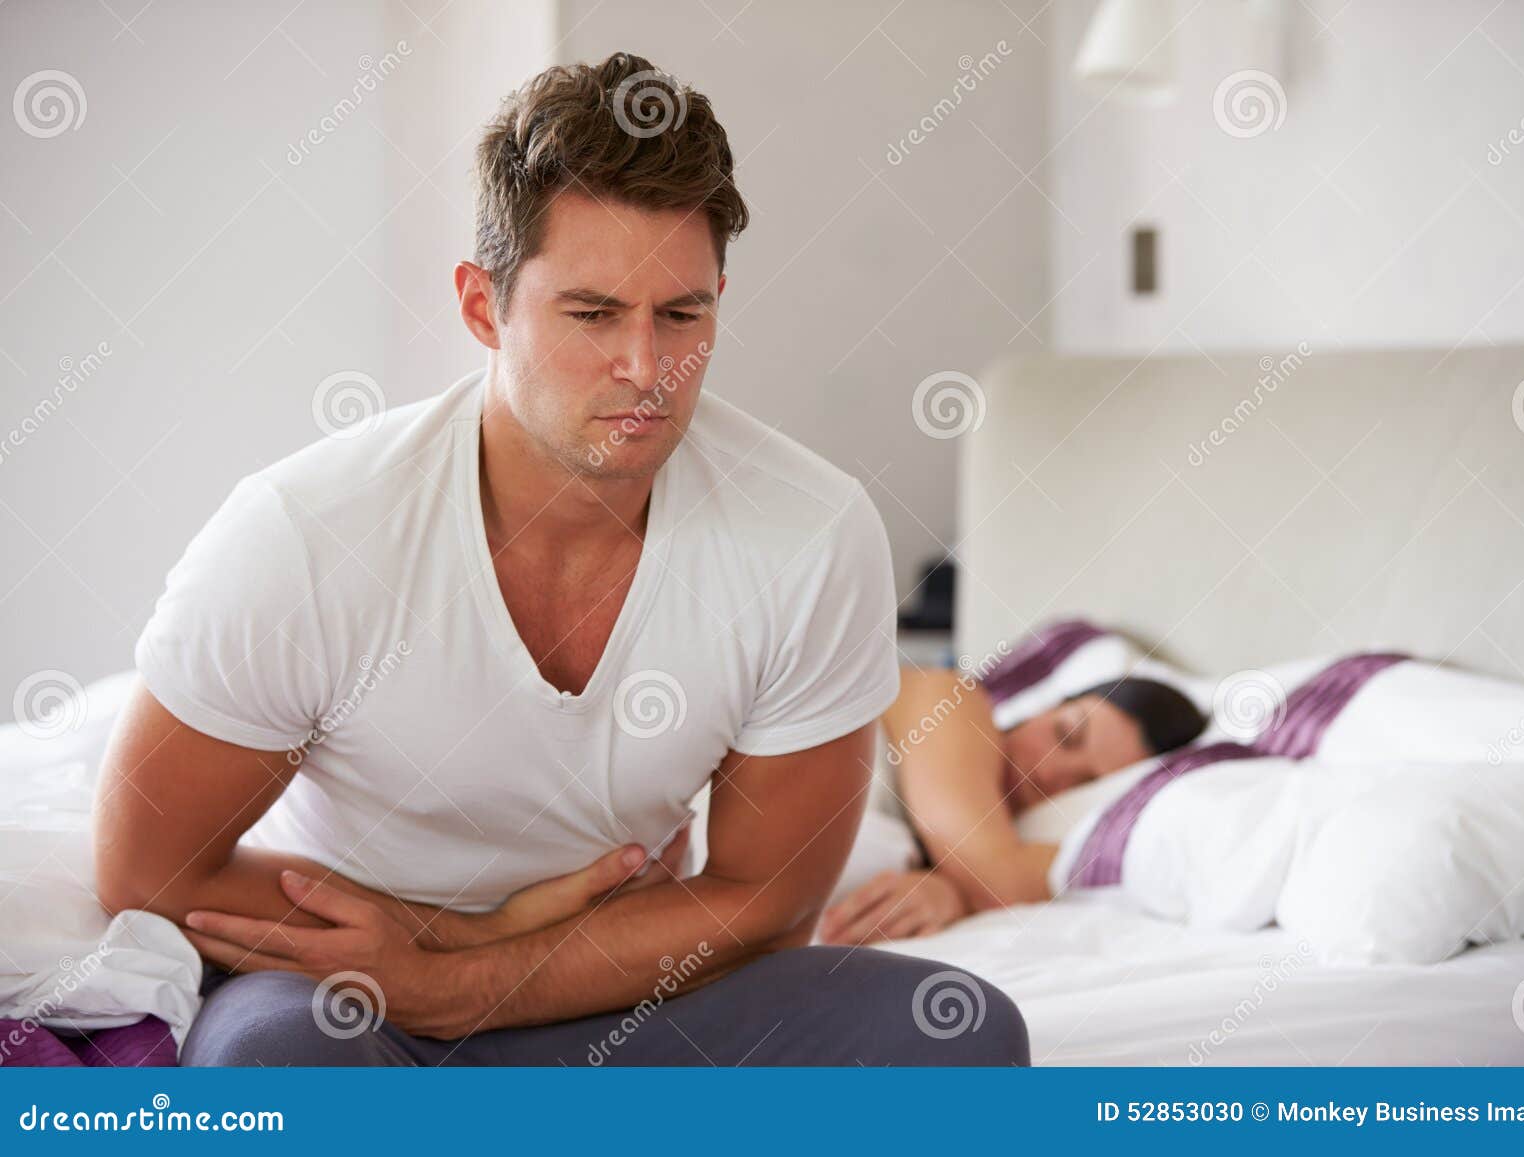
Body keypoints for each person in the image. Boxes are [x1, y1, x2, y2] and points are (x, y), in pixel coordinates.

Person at [91, 53, 1028, 1067]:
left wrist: (472, 976)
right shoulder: (306, 531)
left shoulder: (810, 529)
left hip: (618, 983)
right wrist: (454, 942)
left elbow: (769, 896)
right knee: (273, 1063)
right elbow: (149, 869)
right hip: (358, 994)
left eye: (682, 314)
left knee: (958, 1028)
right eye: (592, 314)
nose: (645, 367)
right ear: (482, 306)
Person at [819, 666, 1205, 945]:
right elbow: (999, 883)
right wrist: (963, 892)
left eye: (1084, 784)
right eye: (1065, 734)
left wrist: (949, 892)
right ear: (1046, 707)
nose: (1050, 771)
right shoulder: (950, 699)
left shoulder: (951, 856)